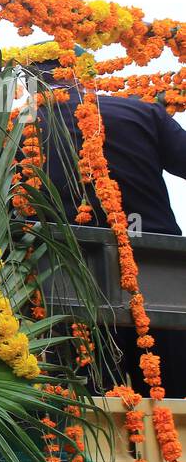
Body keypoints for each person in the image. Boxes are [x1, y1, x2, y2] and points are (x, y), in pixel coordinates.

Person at [29, 44, 186, 396]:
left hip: (63, 280)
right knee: (174, 392)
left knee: (87, 399)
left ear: (30, 82)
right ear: (85, 74)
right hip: (158, 273)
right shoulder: (143, 111)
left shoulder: (15, 128)